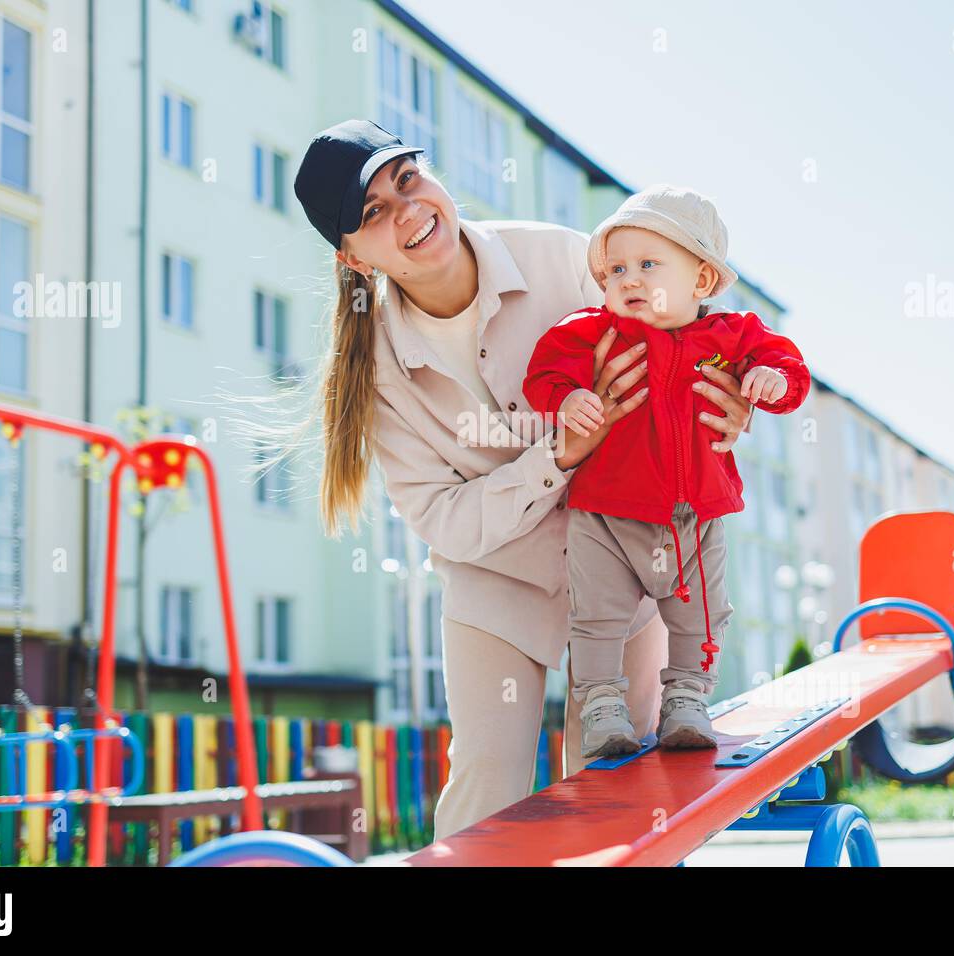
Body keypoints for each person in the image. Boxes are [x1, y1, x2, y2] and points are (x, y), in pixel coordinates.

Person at [288, 120, 753, 840]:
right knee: (487, 789)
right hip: (496, 583)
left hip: (628, 556)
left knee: (616, 786)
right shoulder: (376, 371)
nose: (407, 212)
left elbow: (683, 332)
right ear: (352, 258)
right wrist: (557, 456)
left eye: (407, 180)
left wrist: (727, 391)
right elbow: (444, 520)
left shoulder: (559, 257)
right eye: (373, 213)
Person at [523, 184, 810, 759]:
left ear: (701, 281)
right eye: (615, 269)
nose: (627, 280)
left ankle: (687, 698)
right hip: (603, 512)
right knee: (597, 616)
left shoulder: (732, 336)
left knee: (702, 614)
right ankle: (602, 706)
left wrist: (772, 383)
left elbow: (786, 365)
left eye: (647, 265)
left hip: (695, 517)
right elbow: (545, 373)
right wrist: (567, 397)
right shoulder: (592, 330)